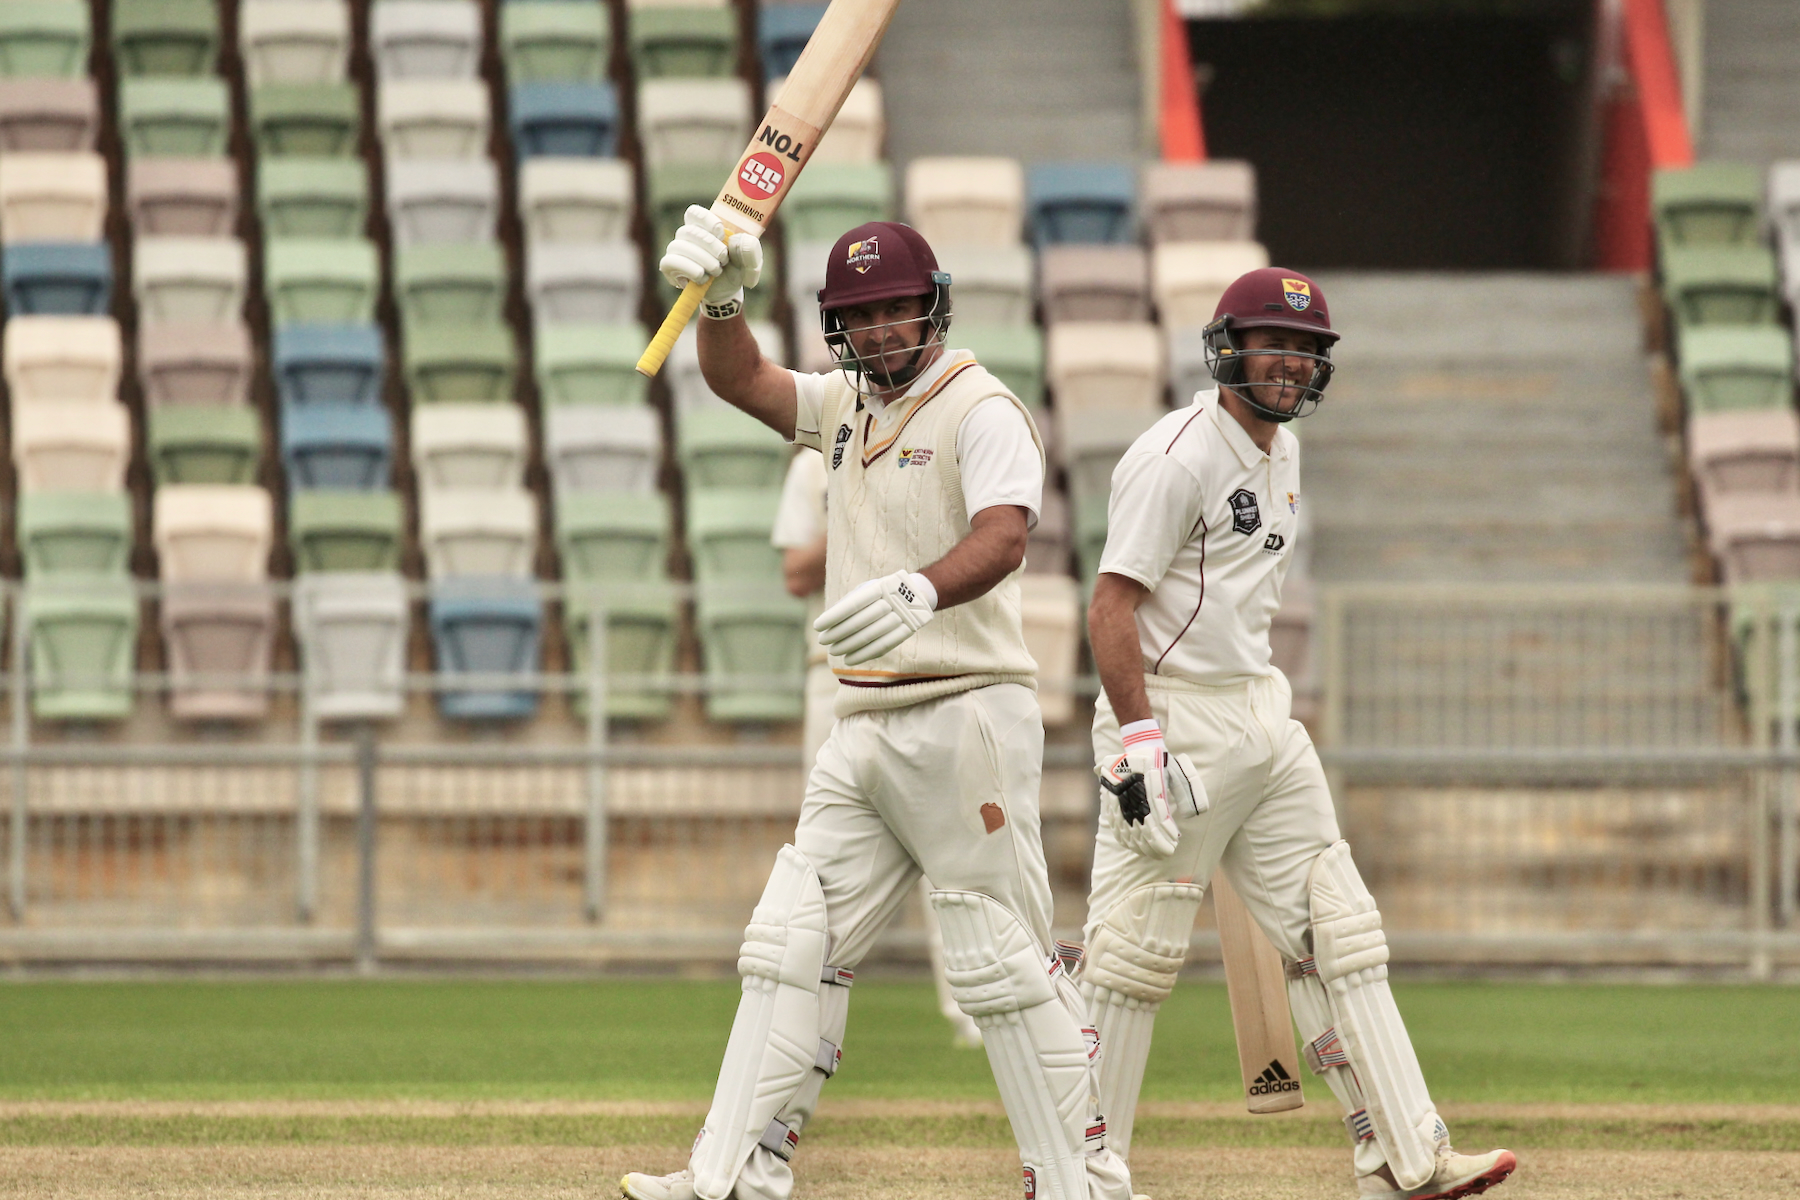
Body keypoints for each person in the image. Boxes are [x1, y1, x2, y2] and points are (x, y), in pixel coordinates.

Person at [622, 208, 1136, 1200]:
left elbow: (1005, 536)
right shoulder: (846, 403)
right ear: (838, 326)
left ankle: (1079, 1181)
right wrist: (721, 303)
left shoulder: (981, 406)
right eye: (860, 317)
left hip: (966, 713)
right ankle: (735, 1171)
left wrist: (918, 590)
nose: (880, 332)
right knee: (788, 945)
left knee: (1004, 961)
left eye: (897, 310)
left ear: (931, 307)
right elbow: (742, 381)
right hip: (860, 725)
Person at [1076, 268, 1517, 1200]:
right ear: (1226, 347)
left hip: (1261, 717)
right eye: (1274, 343)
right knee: (1129, 958)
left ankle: (1407, 1159)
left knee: (1340, 931)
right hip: (1174, 722)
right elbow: (1111, 606)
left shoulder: (1283, 452)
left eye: (1308, 349)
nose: (1291, 363)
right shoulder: (1174, 457)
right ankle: (1077, 1174)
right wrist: (1140, 741)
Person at [771, 449, 984, 1051]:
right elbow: (795, 574)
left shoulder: (934, 442)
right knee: (822, 857)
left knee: (949, 853)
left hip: (925, 667)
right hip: (836, 672)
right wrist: (859, 516)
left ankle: (974, 1013)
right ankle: (796, 1013)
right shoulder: (814, 467)